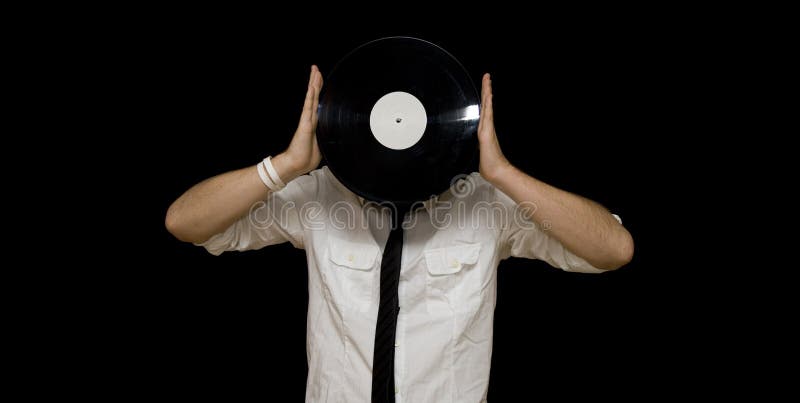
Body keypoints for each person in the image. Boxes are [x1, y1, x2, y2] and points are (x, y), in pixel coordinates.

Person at [166, 65, 634, 402]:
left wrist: (504, 174)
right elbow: (185, 222)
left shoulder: (487, 204)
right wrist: (283, 167)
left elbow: (613, 248)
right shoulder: (317, 198)